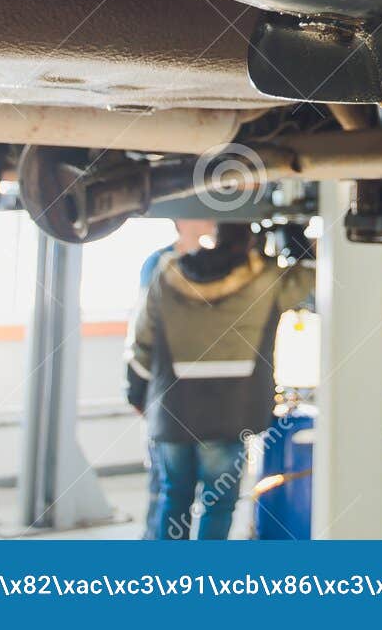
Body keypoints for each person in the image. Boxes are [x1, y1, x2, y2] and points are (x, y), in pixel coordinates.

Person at [125, 221, 314, 540]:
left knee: (174, 496)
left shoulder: (166, 274)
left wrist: (136, 394)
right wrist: (294, 232)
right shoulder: (265, 279)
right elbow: (308, 276)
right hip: (231, 412)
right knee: (218, 503)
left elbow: (142, 343)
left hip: (172, 409)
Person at [133, 219, 209, 538]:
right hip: (165, 390)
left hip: (205, 390)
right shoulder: (159, 263)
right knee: (166, 484)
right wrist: (138, 389)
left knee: (196, 487)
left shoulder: (215, 263)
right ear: (182, 221)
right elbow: (144, 328)